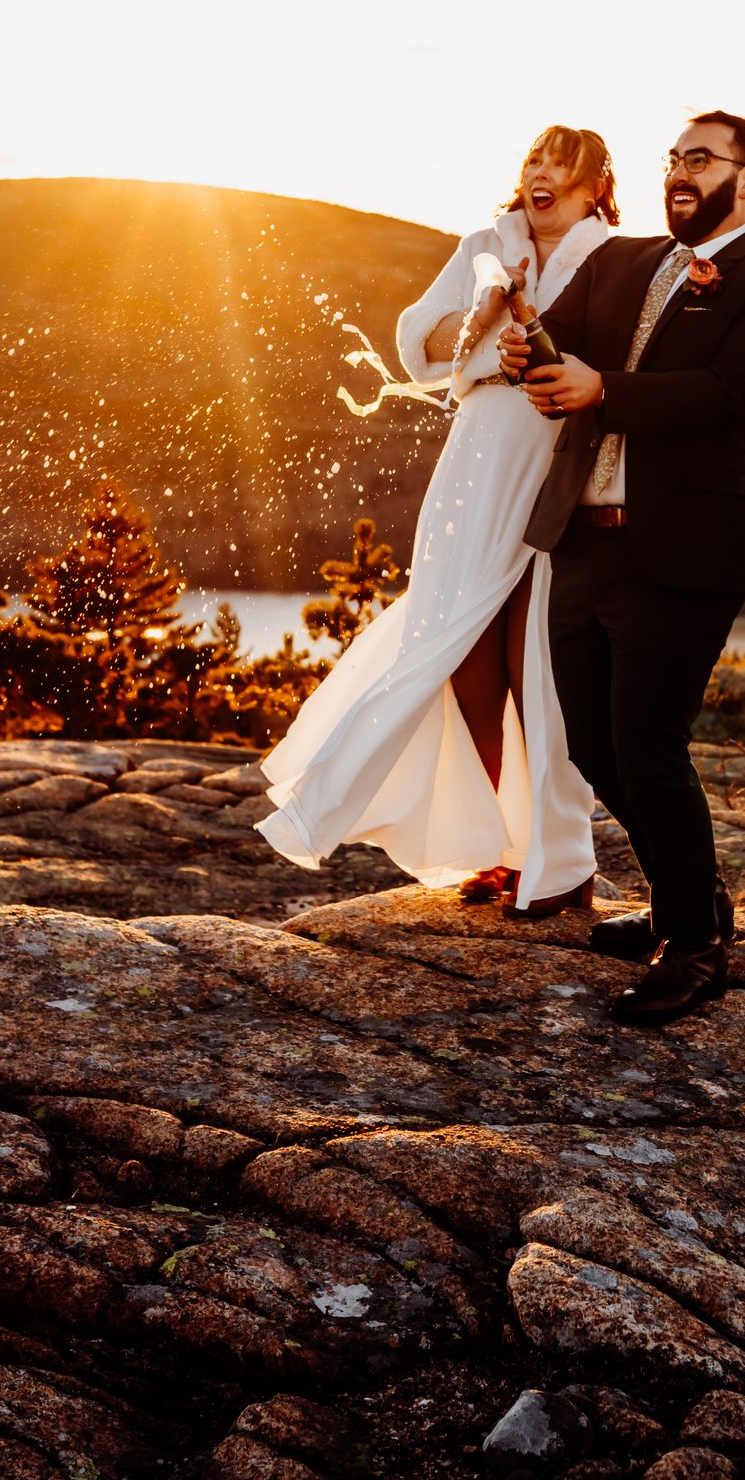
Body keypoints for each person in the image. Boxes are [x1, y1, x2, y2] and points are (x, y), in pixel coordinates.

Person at [499, 110, 745, 1023]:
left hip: (683, 551)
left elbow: (730, 395)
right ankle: (694, 897)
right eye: (675, 156)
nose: (680, 170)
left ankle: (695, 946)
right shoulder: (617, 260)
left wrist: (606, 388)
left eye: (701, 159)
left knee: (648, 745)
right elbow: (555, 339)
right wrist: (525, 353)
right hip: (582, 537)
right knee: (593, 746)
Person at [256, 128, 616, 913]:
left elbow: (620, 362)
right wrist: (485, 322)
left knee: (538, 666)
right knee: (463, 655)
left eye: (561, 165)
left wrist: (546, 354)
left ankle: (561, 862)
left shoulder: (614, 258)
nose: (541, 174)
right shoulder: (485, 245)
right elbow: (418, 345)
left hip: (556, 462)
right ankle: (496, 846)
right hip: (476, 457)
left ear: (595, 187)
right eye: (534, 161)